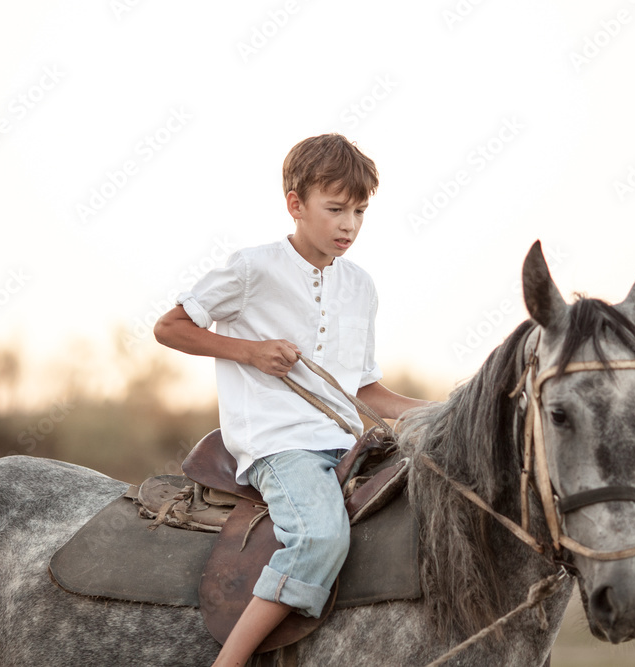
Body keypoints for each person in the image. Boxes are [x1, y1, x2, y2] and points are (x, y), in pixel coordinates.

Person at [154, 133, 429, 667]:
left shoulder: (362, 286)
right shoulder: (253, 268)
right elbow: (170, 327)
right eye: (335, 209)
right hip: (280, 444)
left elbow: (363, 390)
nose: (348, 225)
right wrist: (248, 351)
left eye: (359, 211)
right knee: (321, 537)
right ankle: (228, 662)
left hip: (351, 443)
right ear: (296, 206)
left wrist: (441, 412)